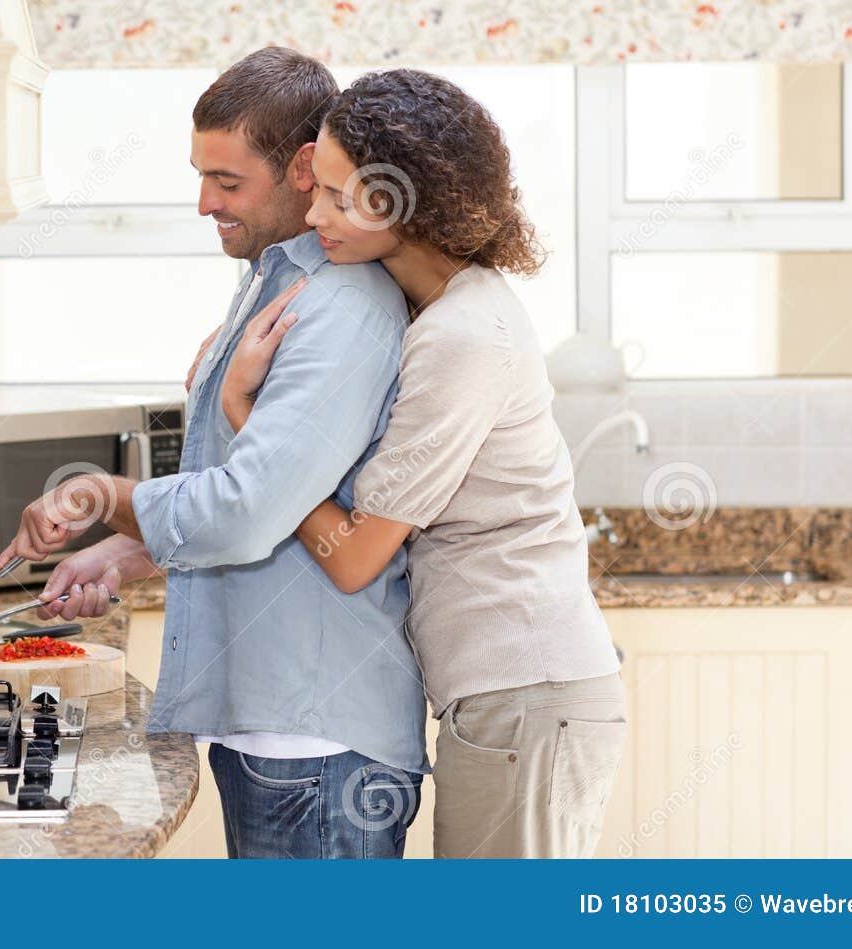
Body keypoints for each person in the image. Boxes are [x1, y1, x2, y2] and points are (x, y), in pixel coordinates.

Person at [0, 47, 428, 859]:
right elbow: (262, 481)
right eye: (201, 177)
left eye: (228, 183)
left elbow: (245, 509)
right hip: (277, 732)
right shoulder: (274, 279)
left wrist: (102, 493)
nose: (204, 203)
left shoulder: (338, 309)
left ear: (305, 168)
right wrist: (127, 556)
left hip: (317, 746)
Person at [216, 68, 627, 859]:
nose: (313, 213)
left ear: (402, 204)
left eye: (338, 197)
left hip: (529, 693)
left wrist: (252, 422)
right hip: (508, 698)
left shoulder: (463, 335)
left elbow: (356, 556)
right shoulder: (438, 304)